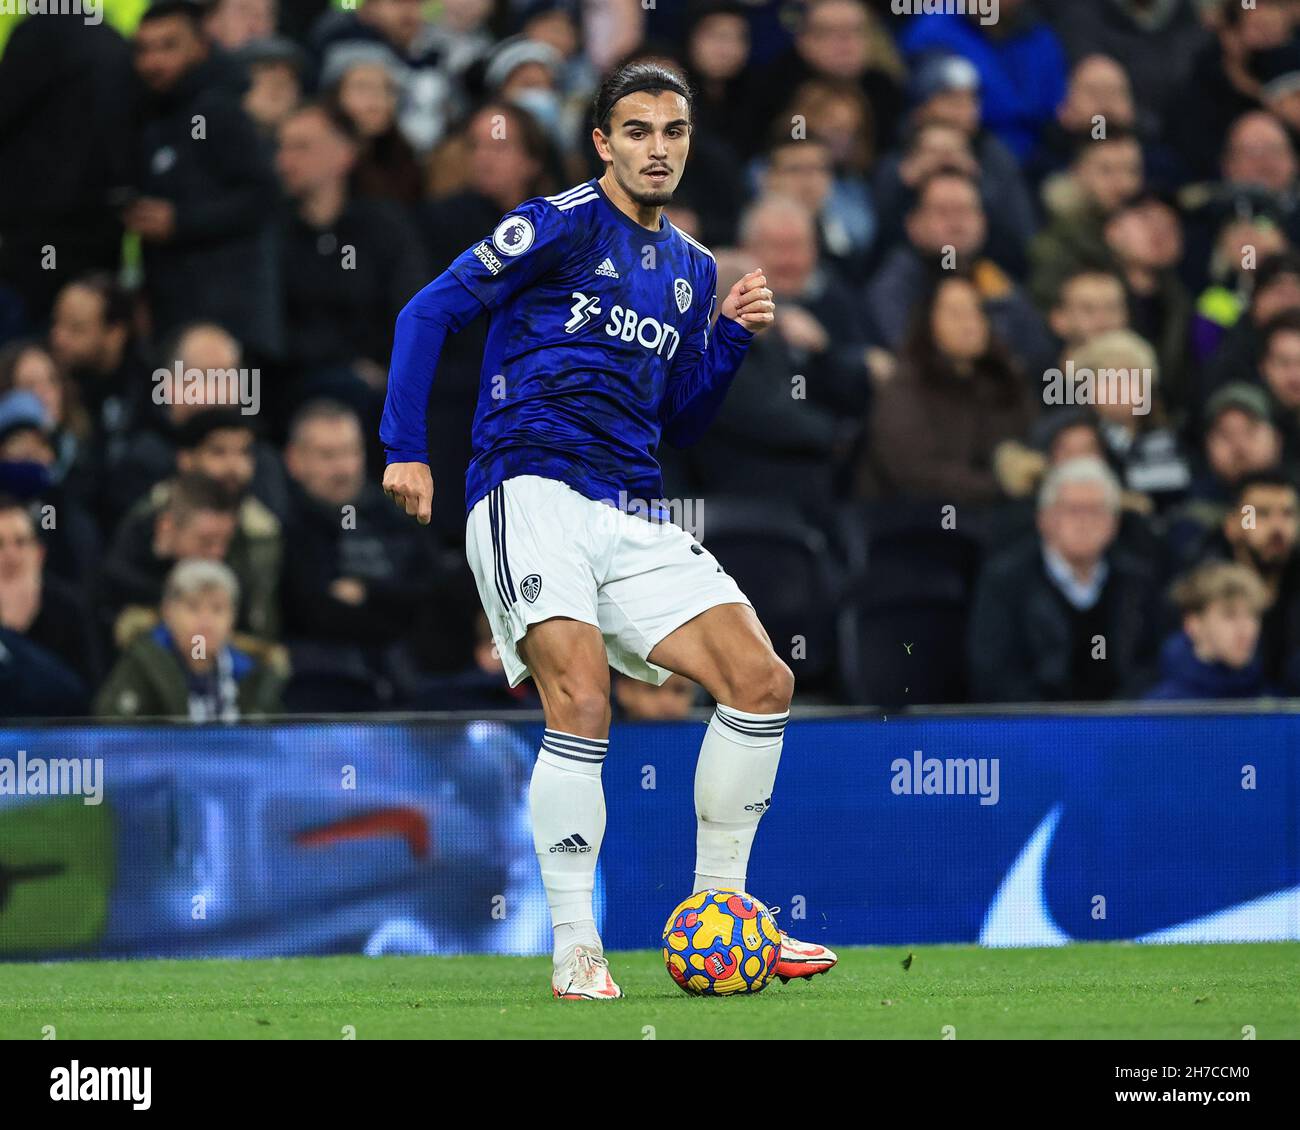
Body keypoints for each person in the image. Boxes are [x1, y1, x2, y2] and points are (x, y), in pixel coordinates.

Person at [379, 60, 836, 999]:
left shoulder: (695, 270)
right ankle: (577, 949)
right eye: (636, 131)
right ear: (603, 142)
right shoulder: (557, 222)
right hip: (528, 487)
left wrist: (730, 341)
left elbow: (680, 422)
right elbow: (427, 312)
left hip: (628, 507)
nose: (656, 148)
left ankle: (727, 913)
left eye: (672, 131)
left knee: (761, 678)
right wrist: (405, 447)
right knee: (582, 702)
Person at [967, 456, 1159, 703]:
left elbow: (1151, 666)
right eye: (1072, 510)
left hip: (1122, 727)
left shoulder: (1137, 581)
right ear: (1045, 519)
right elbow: (994, 673)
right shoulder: (1005, 581)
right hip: (1034, 729)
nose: (1084, 523)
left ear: (1114, 523)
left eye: (1096, 511)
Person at [96, 558, 287, 720]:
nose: (206, 621)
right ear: (169, 612)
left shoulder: (254, 672)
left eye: (217, 609)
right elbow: (113, 735)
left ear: (232, 618)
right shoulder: (143, 663)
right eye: (193, 607)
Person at [1145, 562, 1274, 701]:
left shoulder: (1274, 705)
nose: (1246, 630)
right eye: (1229, 615)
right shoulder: (1162, 710)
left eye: (1252, 615)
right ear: (1193, 624)